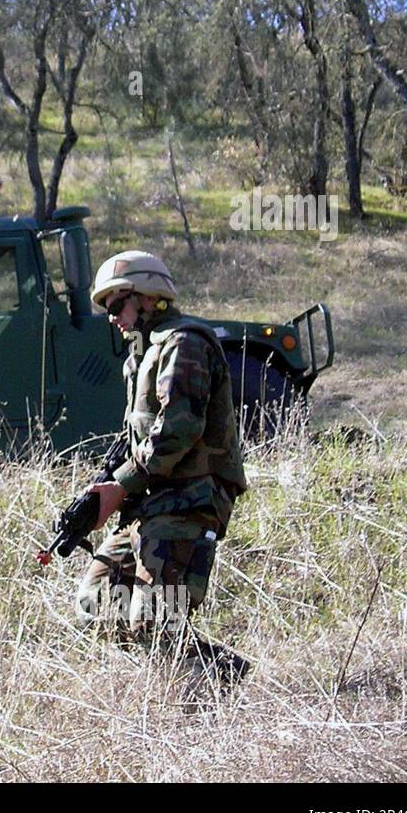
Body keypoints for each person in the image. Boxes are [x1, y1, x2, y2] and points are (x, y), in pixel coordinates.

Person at [73, 250, 251, 686]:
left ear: (150, 297)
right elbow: (136, 435)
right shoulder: (142, 356)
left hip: (189, 502)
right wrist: (101, 492)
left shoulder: (183, 344)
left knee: (155, 624)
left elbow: (179, 428)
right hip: (149, 506)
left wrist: (122, 485)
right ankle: (208, 676)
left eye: (117, 305)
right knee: (97, 605)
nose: (112, 317)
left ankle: (221, 689)